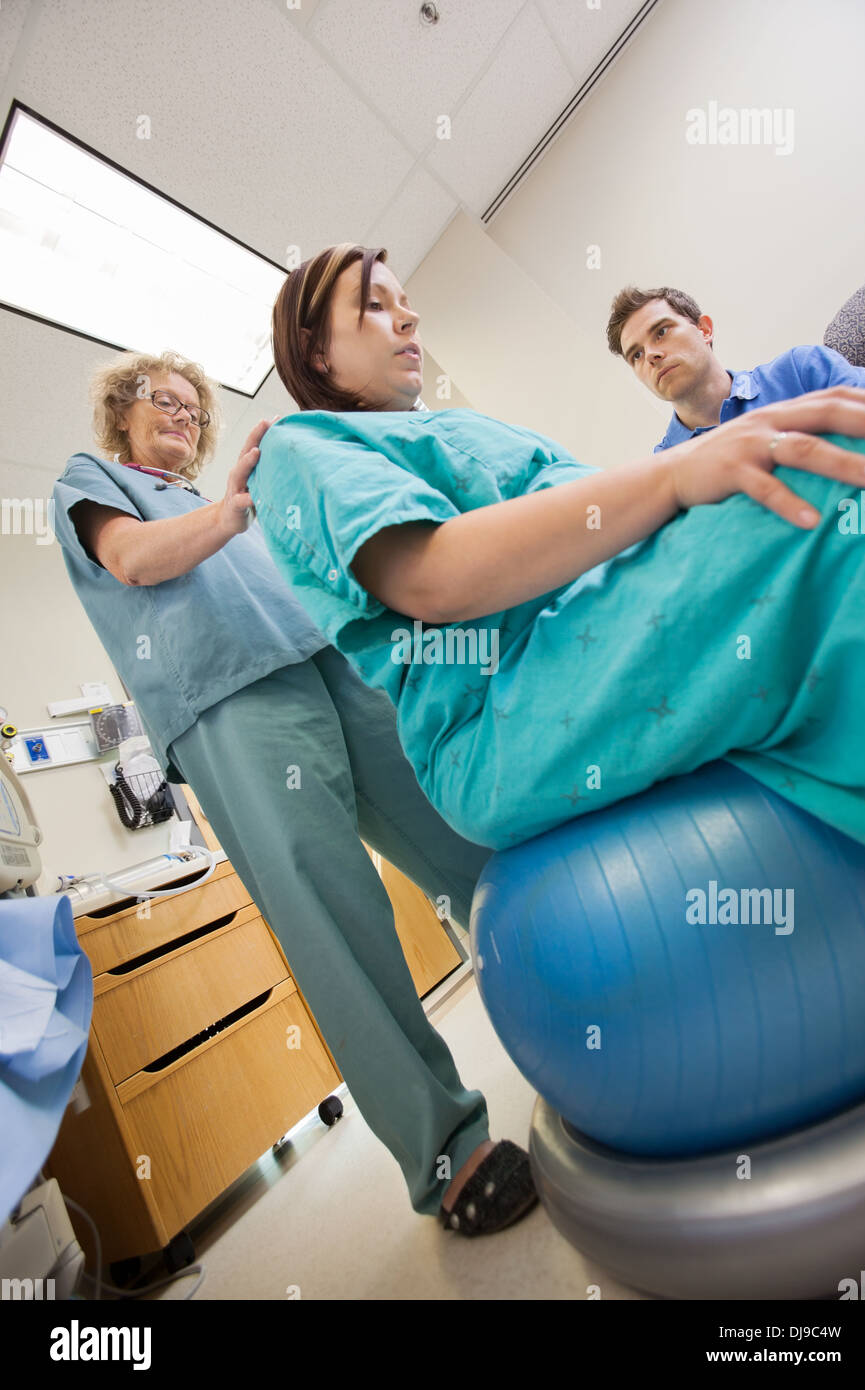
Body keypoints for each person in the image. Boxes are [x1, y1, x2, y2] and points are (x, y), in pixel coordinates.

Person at [51, 351, 539, 1240]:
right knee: (334, 916)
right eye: (161, 402)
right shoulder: (96, 483)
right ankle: (449, 1153)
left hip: (326, 660)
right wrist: (230, 511)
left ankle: (588, 1004)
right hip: (228, 699)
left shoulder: (223, 506)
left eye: (193, 409)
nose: (181, 417)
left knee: (465, 837)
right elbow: (133, 561)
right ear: (122, 414)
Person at [245, 242, 865, 862]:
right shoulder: (297, 444)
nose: (410, 316)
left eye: (405, 300)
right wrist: (677, 474)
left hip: (592, 618)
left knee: (840, 462)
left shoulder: (452, 426)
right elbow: (432, 578)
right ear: (315, 351)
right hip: (501, 711)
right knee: (850, 472)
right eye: (374, 305)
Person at [604, 284, 865, 452]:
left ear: (704, 330)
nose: (651, 355)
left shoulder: (803, 370)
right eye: (636, 355)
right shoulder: (665, 469)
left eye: (661, 332)